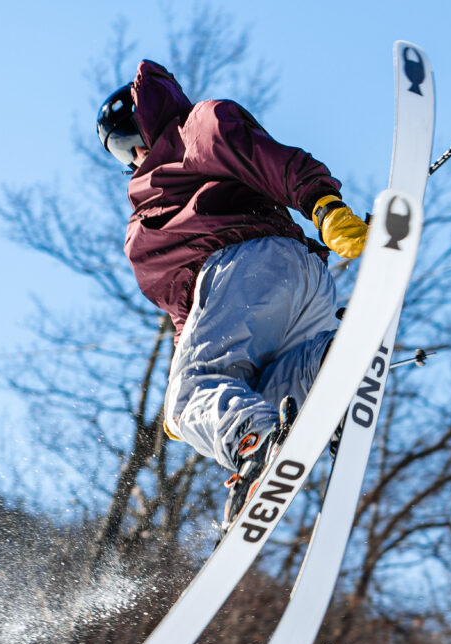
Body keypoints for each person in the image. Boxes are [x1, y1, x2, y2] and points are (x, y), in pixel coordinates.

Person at [95, 60, 367, 527]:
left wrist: (322, 204)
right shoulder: (140, 230)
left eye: (129, 137)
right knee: (259, 394)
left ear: (146, 122)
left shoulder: (193, 132)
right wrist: (184, 384)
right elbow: (187, 313)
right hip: (305, 284)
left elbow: (264, 158)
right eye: (119, 150)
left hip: (248, 266)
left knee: (190, 398)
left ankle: (251, 441)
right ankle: (326, 365)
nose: (134, 153)